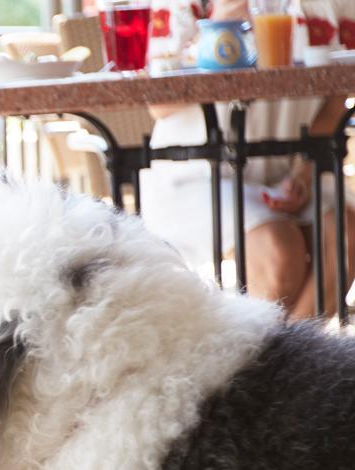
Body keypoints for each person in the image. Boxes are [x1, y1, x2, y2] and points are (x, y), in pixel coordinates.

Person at [140, 0, 355, 319]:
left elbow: (337, 98)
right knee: (278, 250)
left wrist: (304, 172)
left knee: (346, 233)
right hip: (196, 172)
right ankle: (280, 365)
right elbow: (158, 104)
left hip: (291, 168)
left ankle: (279, 366)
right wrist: (214, 32)